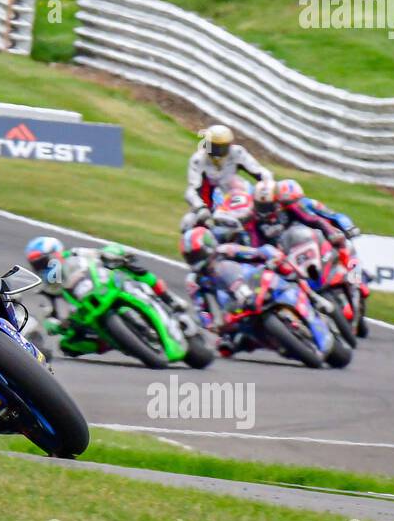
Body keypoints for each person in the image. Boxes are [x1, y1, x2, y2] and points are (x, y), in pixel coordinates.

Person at [25, 236, 196, 348]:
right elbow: (48, 317)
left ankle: (168, 298)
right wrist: (57, 325)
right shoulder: (47, 287)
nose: (42, 268)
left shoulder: (75, 254)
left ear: (56, 254)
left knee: (131, 267)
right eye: (37, 265)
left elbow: (101, 253)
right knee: (68, 346)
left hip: (104, 284)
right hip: (84, 310)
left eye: (43, 262)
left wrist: (112, 254)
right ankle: (111, 342)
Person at [181, 225, 294, 356]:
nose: (195, 259)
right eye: (190, 257)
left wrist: (273, 258)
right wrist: (211, 324)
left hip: (256, 283)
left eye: (196, 254)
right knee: (227, 347)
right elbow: (201, 309)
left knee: (289, 271)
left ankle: (314, 298)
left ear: (208, 246)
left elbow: (258, 252)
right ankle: (275, 342)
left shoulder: (226, 250)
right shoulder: (194, 281)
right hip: (235, 310)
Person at [184, 124, 272, 221]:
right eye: (213, 146)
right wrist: (200, 207)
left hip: (236, 198)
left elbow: (259, 171)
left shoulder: (237, 152)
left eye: (222, 147)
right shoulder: (198, 160)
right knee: (190, 221)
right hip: (210, 205)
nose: (218, 151)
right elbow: (191, 190)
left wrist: (269, 186)